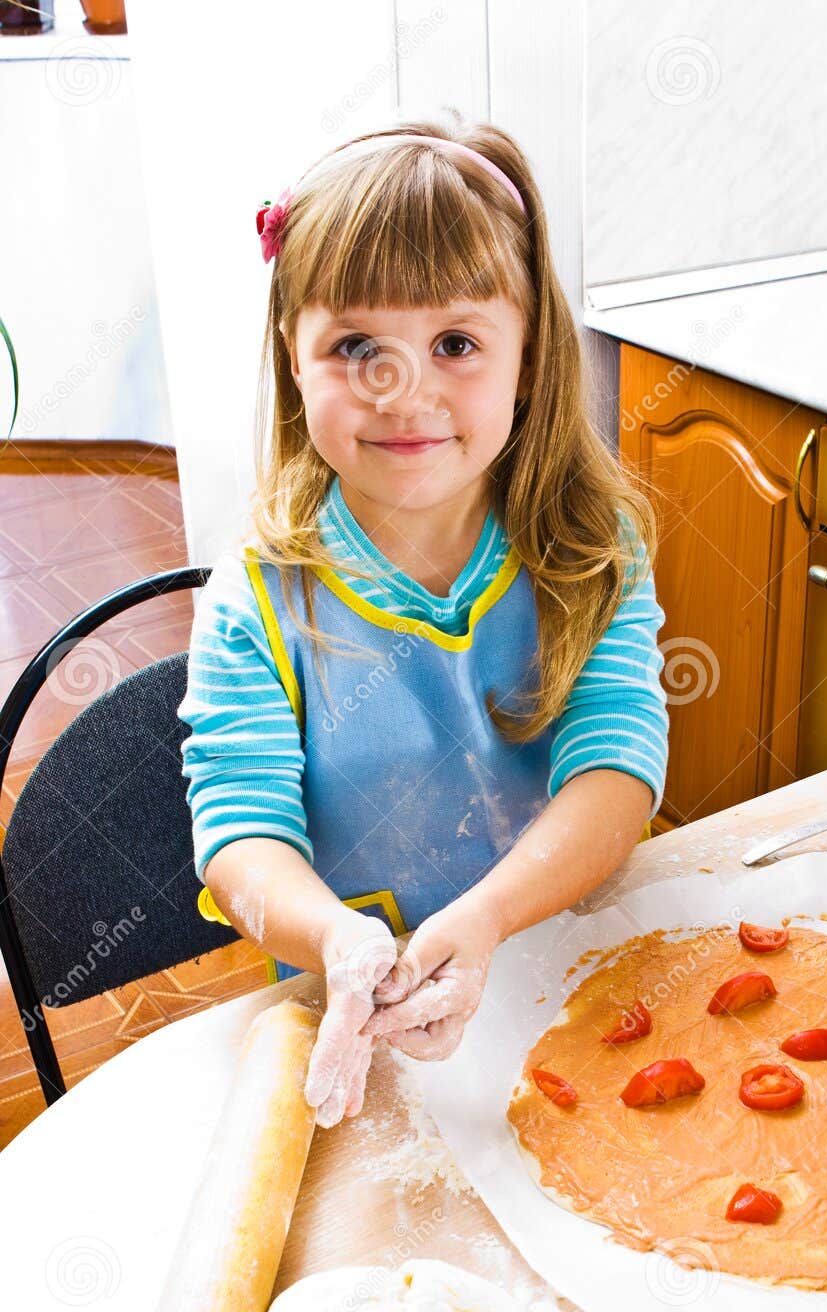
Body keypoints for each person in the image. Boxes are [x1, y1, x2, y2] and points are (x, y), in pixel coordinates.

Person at [178, 120, 669, 1130]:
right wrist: (339, 944)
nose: (406, 392)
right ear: (293, 357)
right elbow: (239, 834)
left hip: (569, 971)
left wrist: (489, 917)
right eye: (356, 346)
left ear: (528, 355)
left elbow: (617, 761)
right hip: (367, 1021)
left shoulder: (590, 544)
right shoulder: (257, 599)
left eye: (454, 343)